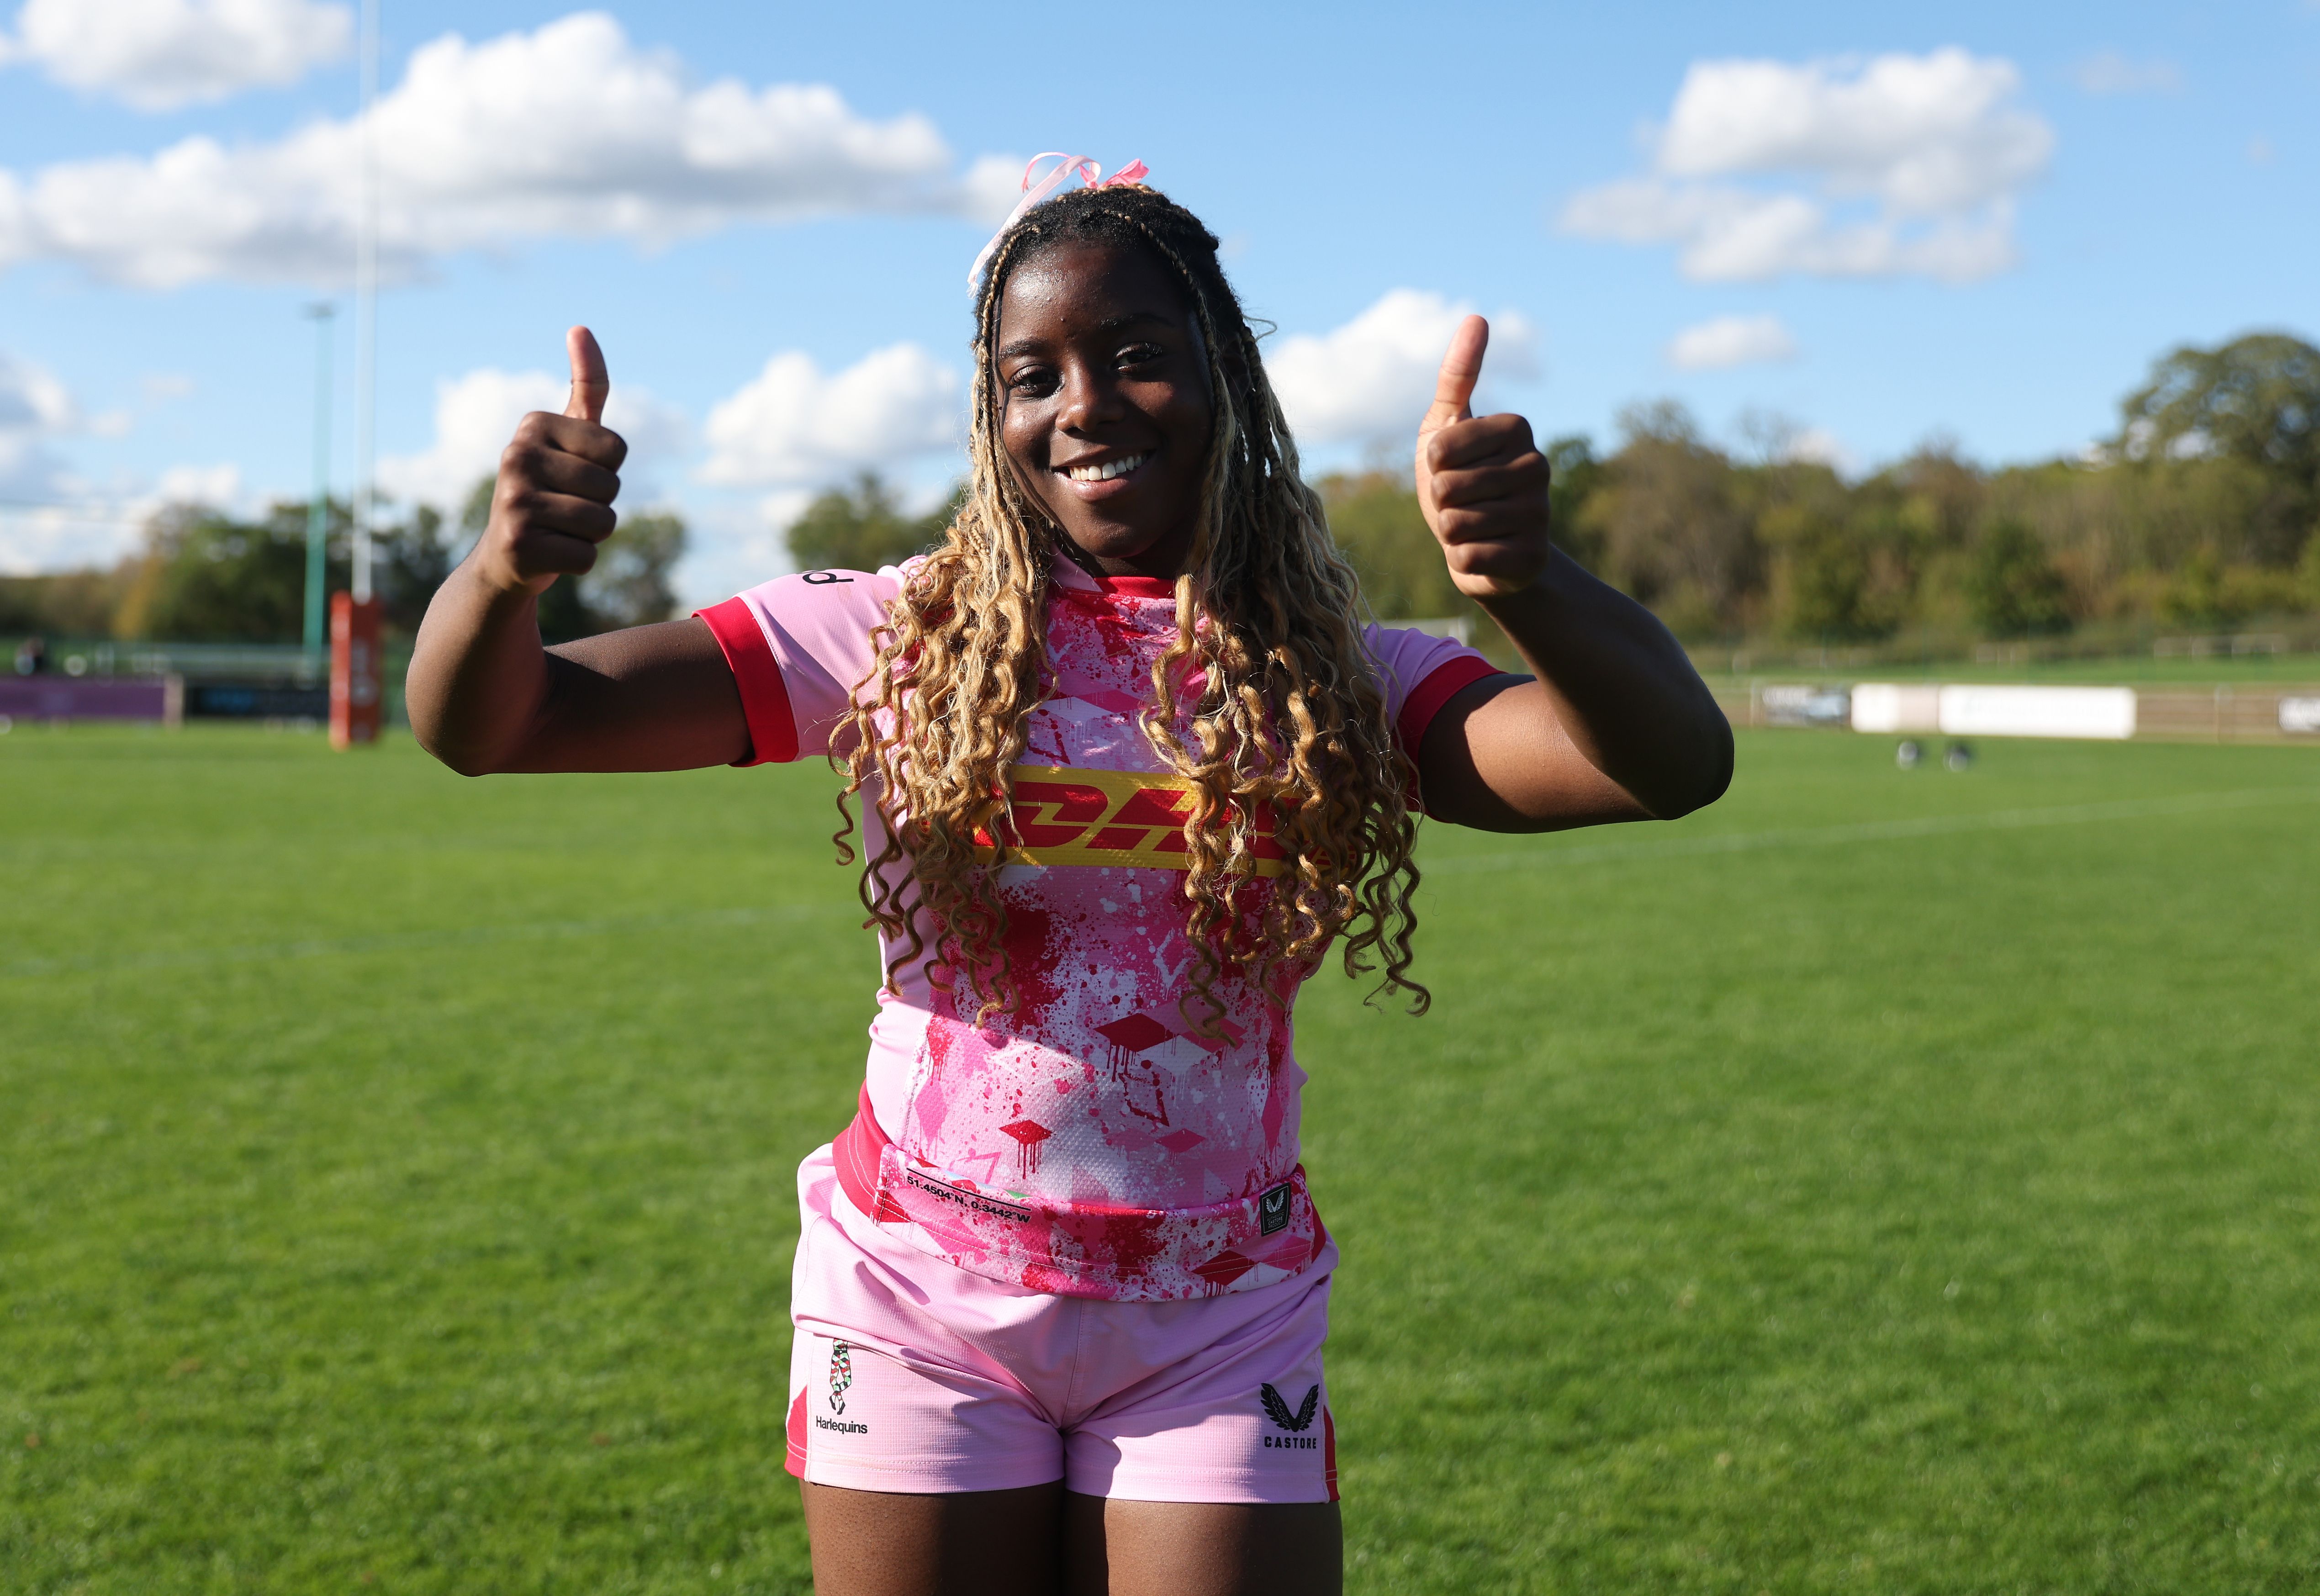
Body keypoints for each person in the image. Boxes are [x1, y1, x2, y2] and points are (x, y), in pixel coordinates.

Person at [407, 164, 1731, 1596]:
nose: (1084, 403)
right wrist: (499, 577)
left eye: (1138, 357)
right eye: (1033, 375)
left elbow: (1665, 763)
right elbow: (496, 723)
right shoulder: (890, 637)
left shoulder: (1333, 671)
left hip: (1218, 1318)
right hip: (916, 1296)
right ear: (995, 420)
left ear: (1225, 380)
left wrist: (1530, 583)